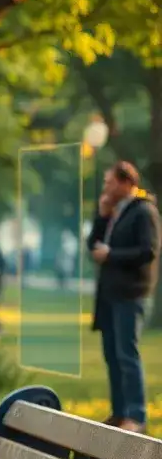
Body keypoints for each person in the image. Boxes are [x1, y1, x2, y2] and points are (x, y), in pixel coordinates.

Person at [88, 161, 161, 433]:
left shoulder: (144, 212)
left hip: (131, 294)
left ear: (126, 183)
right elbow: (91, 245)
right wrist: (102, 215)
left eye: (109, 182)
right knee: (112, 355)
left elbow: (148, 251)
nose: (105, 187)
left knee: (127, 355)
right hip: (109, 295)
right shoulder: (114, 213)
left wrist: (111, 255)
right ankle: (119, 413)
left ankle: (136, 416)